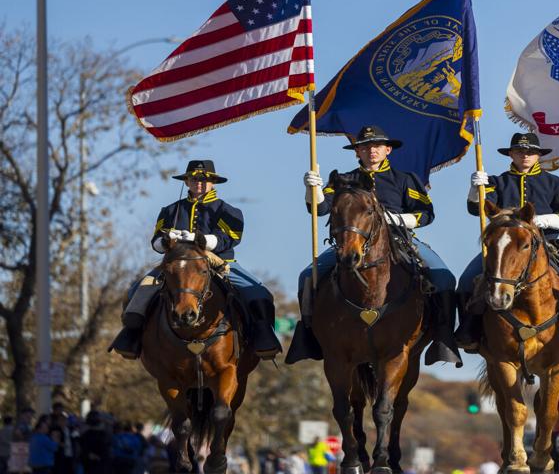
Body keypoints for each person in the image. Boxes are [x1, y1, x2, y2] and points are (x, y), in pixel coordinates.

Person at [290, 125, 460, 367]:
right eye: (365, 147)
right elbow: (321, 208)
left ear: (388, 150)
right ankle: (308, 334)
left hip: (400, 238)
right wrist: (312, 190)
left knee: (444, 279)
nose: (372, 151)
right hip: (353, 242)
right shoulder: (344, 180)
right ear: (357, 151)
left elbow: (426, 213)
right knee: (307, 275)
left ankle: (444, 338)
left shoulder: (405, 179)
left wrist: (398, 219)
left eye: (377, 146)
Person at [109, 160, 282, 360]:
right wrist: (165, 241)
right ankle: (131, 336)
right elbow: (155, 241)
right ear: (187, 182)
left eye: (204, 179)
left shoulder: (228, 211)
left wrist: (197, 239)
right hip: (176, 264)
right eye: (194, 179)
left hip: (217, 262)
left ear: (213, 182)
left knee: (259, 293)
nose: (199, 183)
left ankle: (262, 337)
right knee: (137, 291)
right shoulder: (170, 210)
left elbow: (229, 239)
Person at [457, 132, 559, 352]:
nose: (525, 155)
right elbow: (478, 209)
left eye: (530, 152)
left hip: (547, 245)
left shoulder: (556, 183)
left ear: (539, 155)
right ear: (511, 154)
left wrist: (545, 220)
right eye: (520, 151)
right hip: (505, 248)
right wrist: (475, 191)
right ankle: (468, 332)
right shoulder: (496, 182)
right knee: (465, 281)